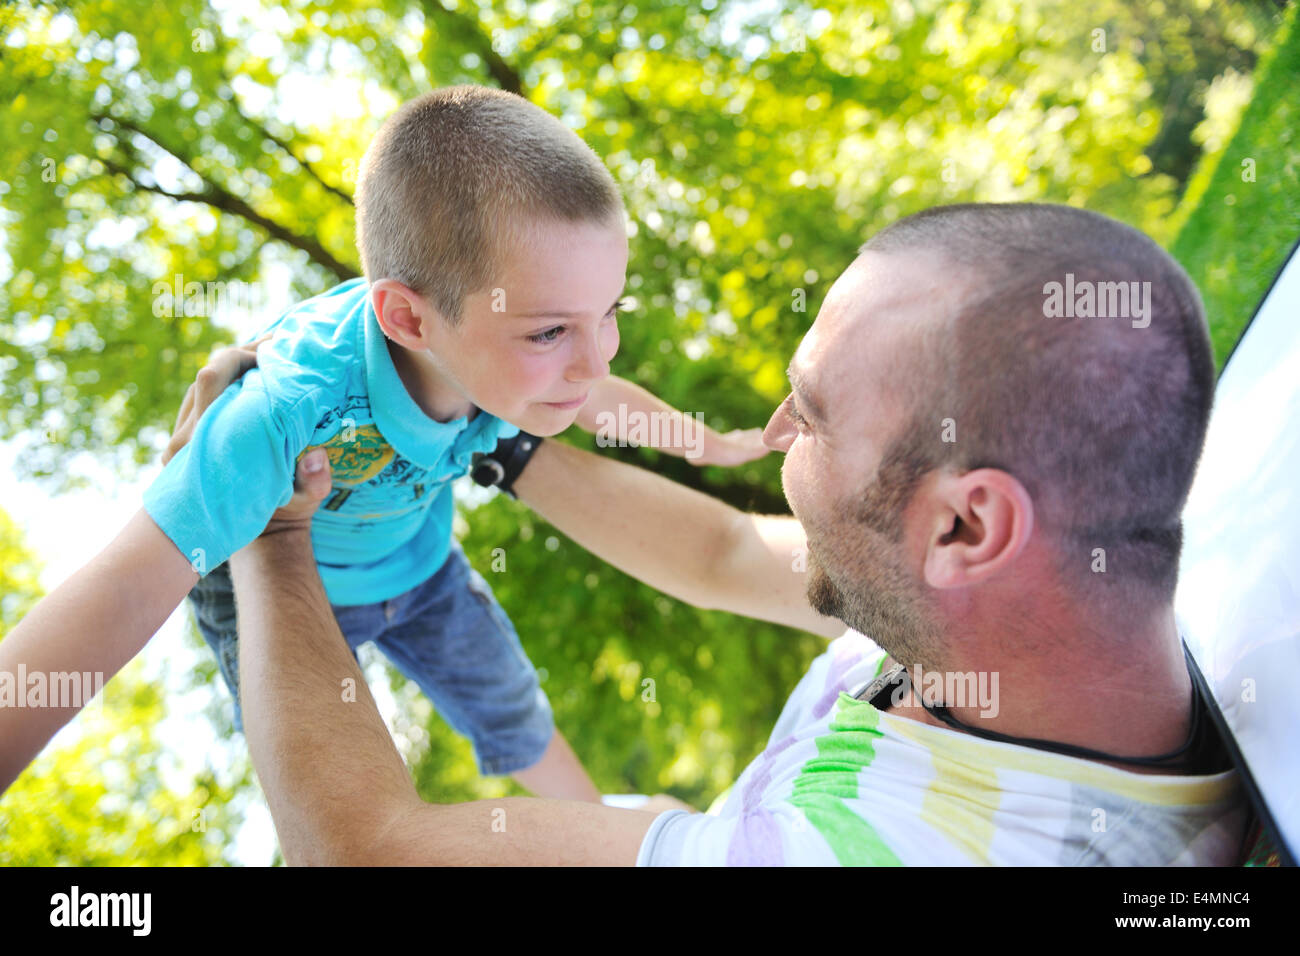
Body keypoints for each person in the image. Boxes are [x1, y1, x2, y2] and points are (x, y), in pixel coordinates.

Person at [2, 202, 1249, 865]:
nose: (768, 427)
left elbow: (367, 847)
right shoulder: (1063, 610)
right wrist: (503, 435)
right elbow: (718, 556)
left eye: (806, 415)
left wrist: (274, 532)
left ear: (965, 523)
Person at [0, 85, 764, 801]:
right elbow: (124, 588)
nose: (596, 357)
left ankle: (601, 829)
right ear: (407, 320)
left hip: (420, 570)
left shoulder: (509, 362)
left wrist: (709, 444)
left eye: (607, 313)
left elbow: (600, 399)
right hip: (294, 597)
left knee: (510, 705)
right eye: (551, 330)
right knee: (337, 786)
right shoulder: (287, 407)